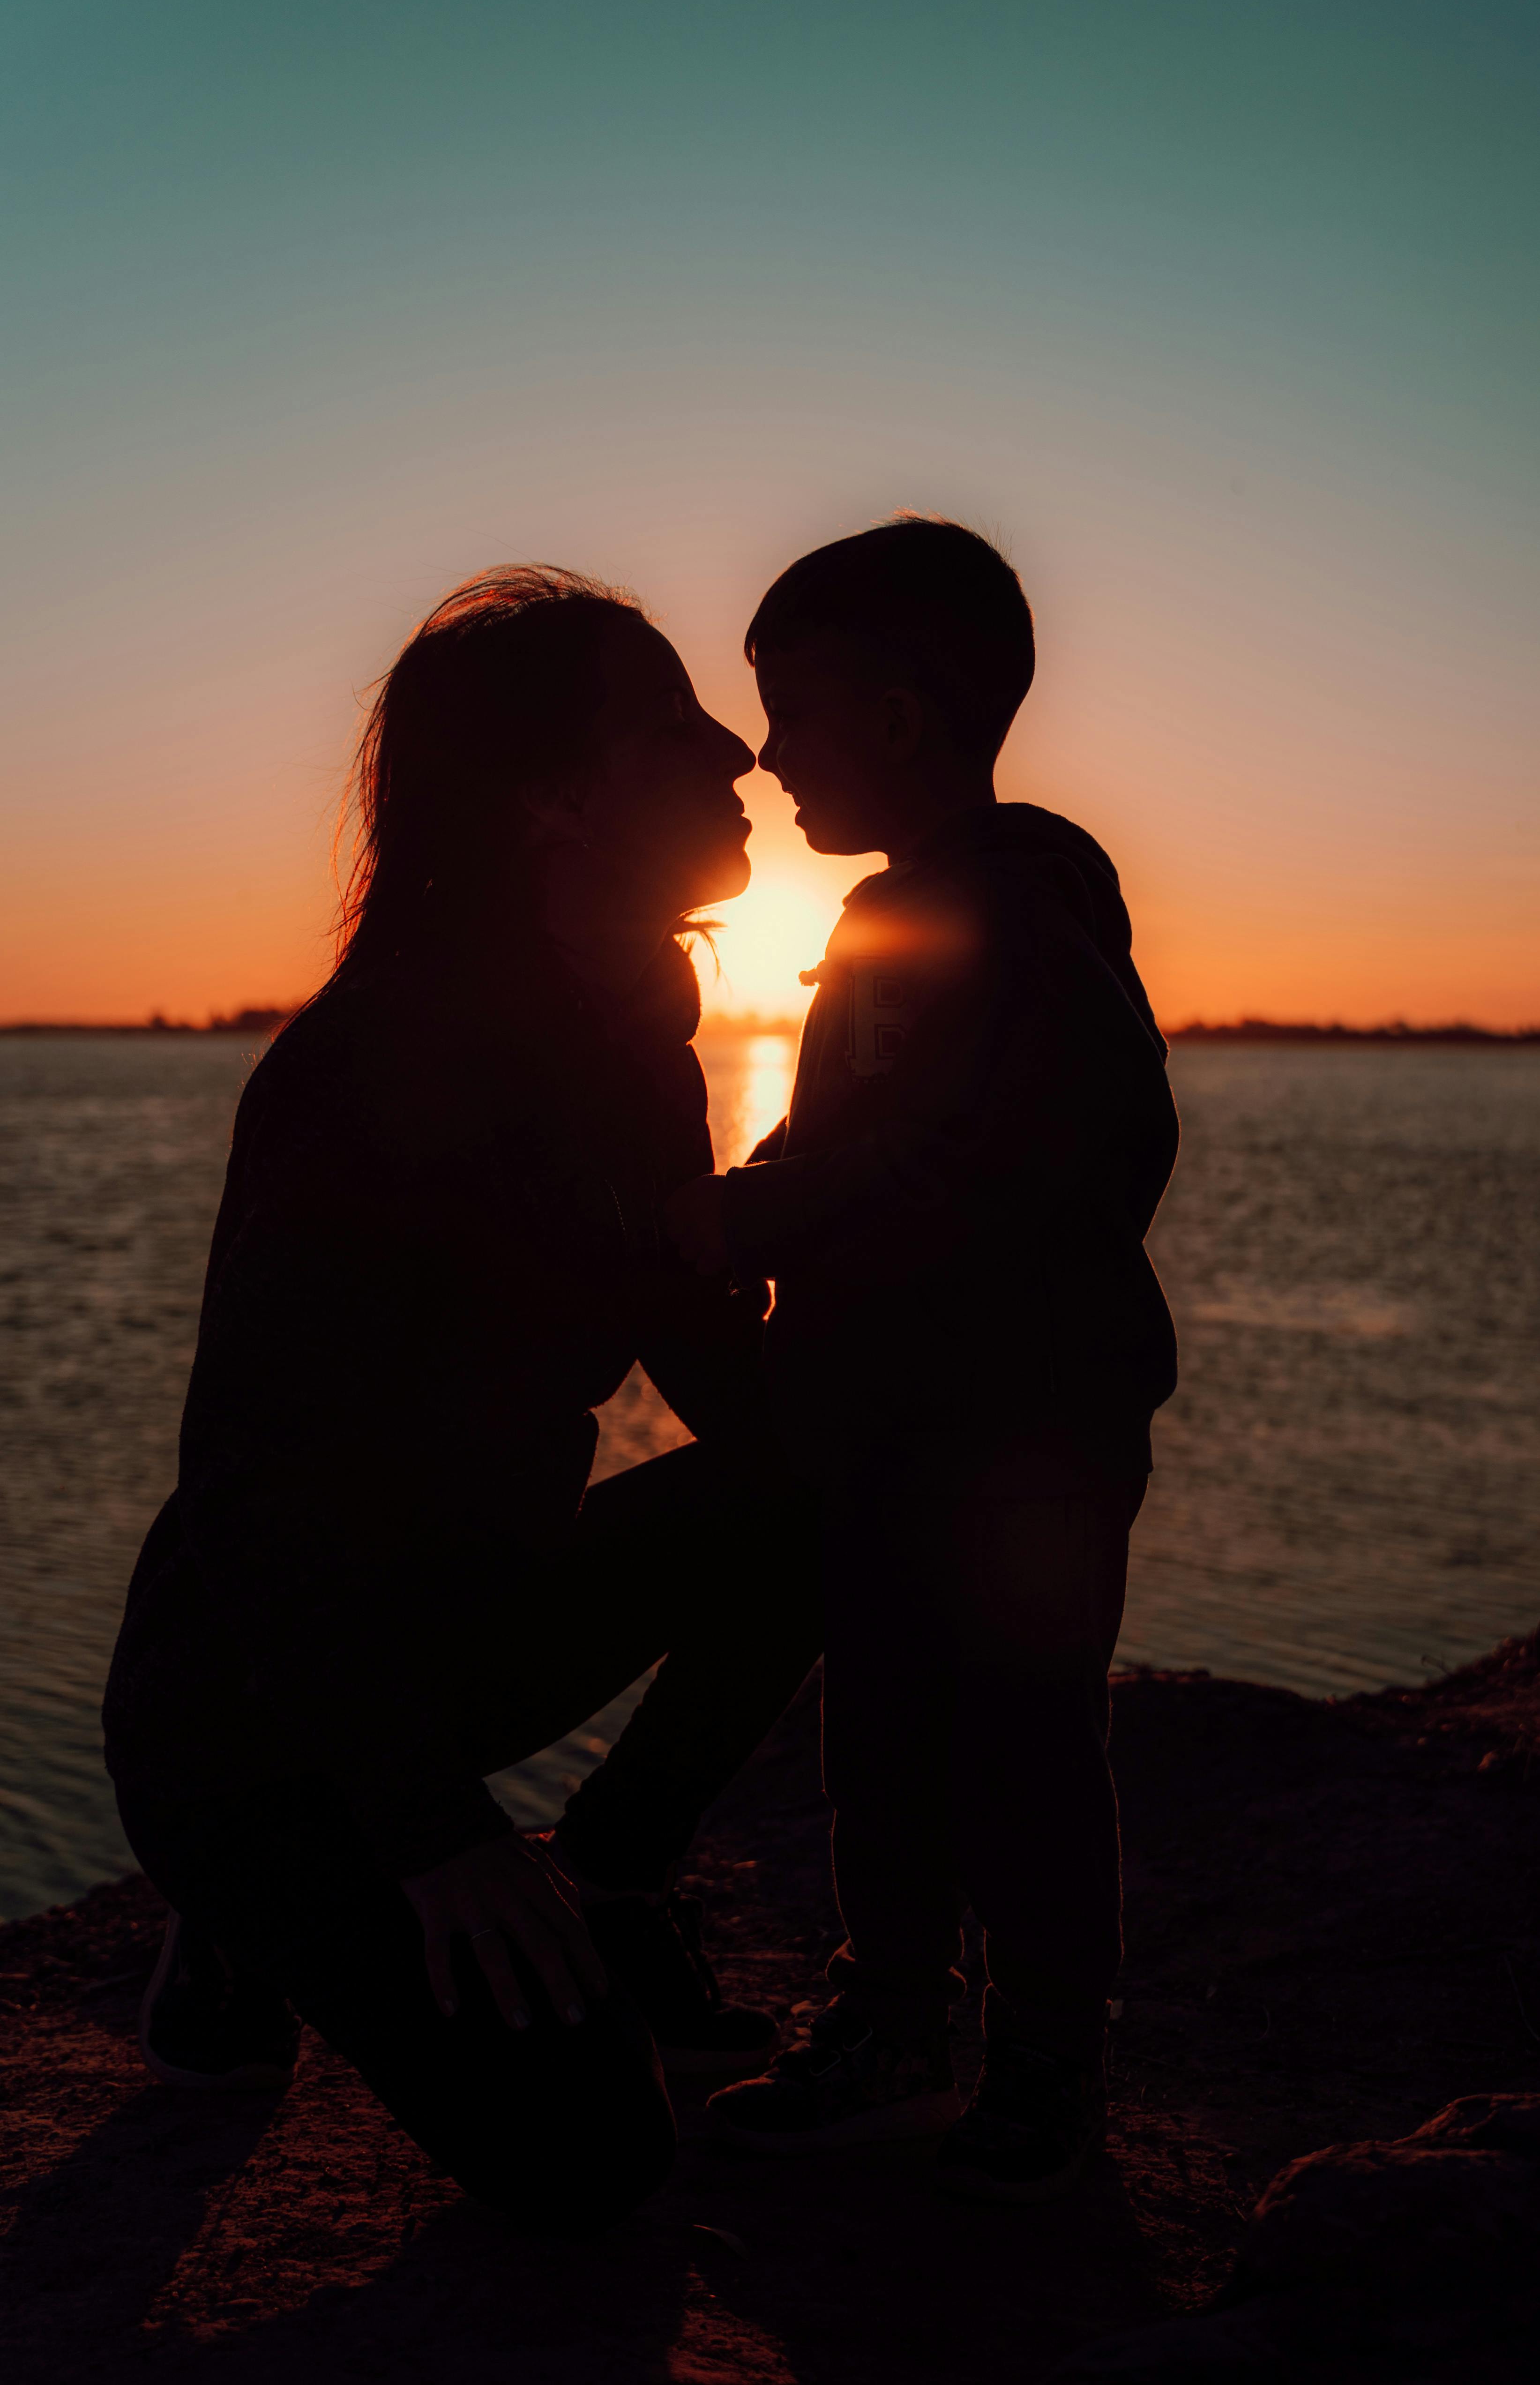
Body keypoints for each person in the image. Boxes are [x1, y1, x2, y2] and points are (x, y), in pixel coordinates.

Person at [103, 566, 820, 2233]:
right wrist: (433, 1835)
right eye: (670, 721)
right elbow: (249, 1493)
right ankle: (234, 1904)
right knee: (595, 2163)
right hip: (253, 1709)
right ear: (551, 799)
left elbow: (708, 1362)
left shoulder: (642, 1024)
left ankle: (618, 1869)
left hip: (466, 1627)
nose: (734, 747)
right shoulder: (368, 1075)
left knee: (835, 1470)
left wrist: (890, 1319)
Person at [665, 516, 1179, 2203]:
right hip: (882, 1428)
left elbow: (1056, 1143)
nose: (766, 755)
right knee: (879, 1729)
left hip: (1027, 1427)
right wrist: (752, 1218)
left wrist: (781, 1220)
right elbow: (842, 1144)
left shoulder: (1027, 907)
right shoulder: (886, 923)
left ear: (897, 718)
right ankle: (892, 2023)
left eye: (789, 712)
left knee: (1027, 1737)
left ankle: (1043, 2063)